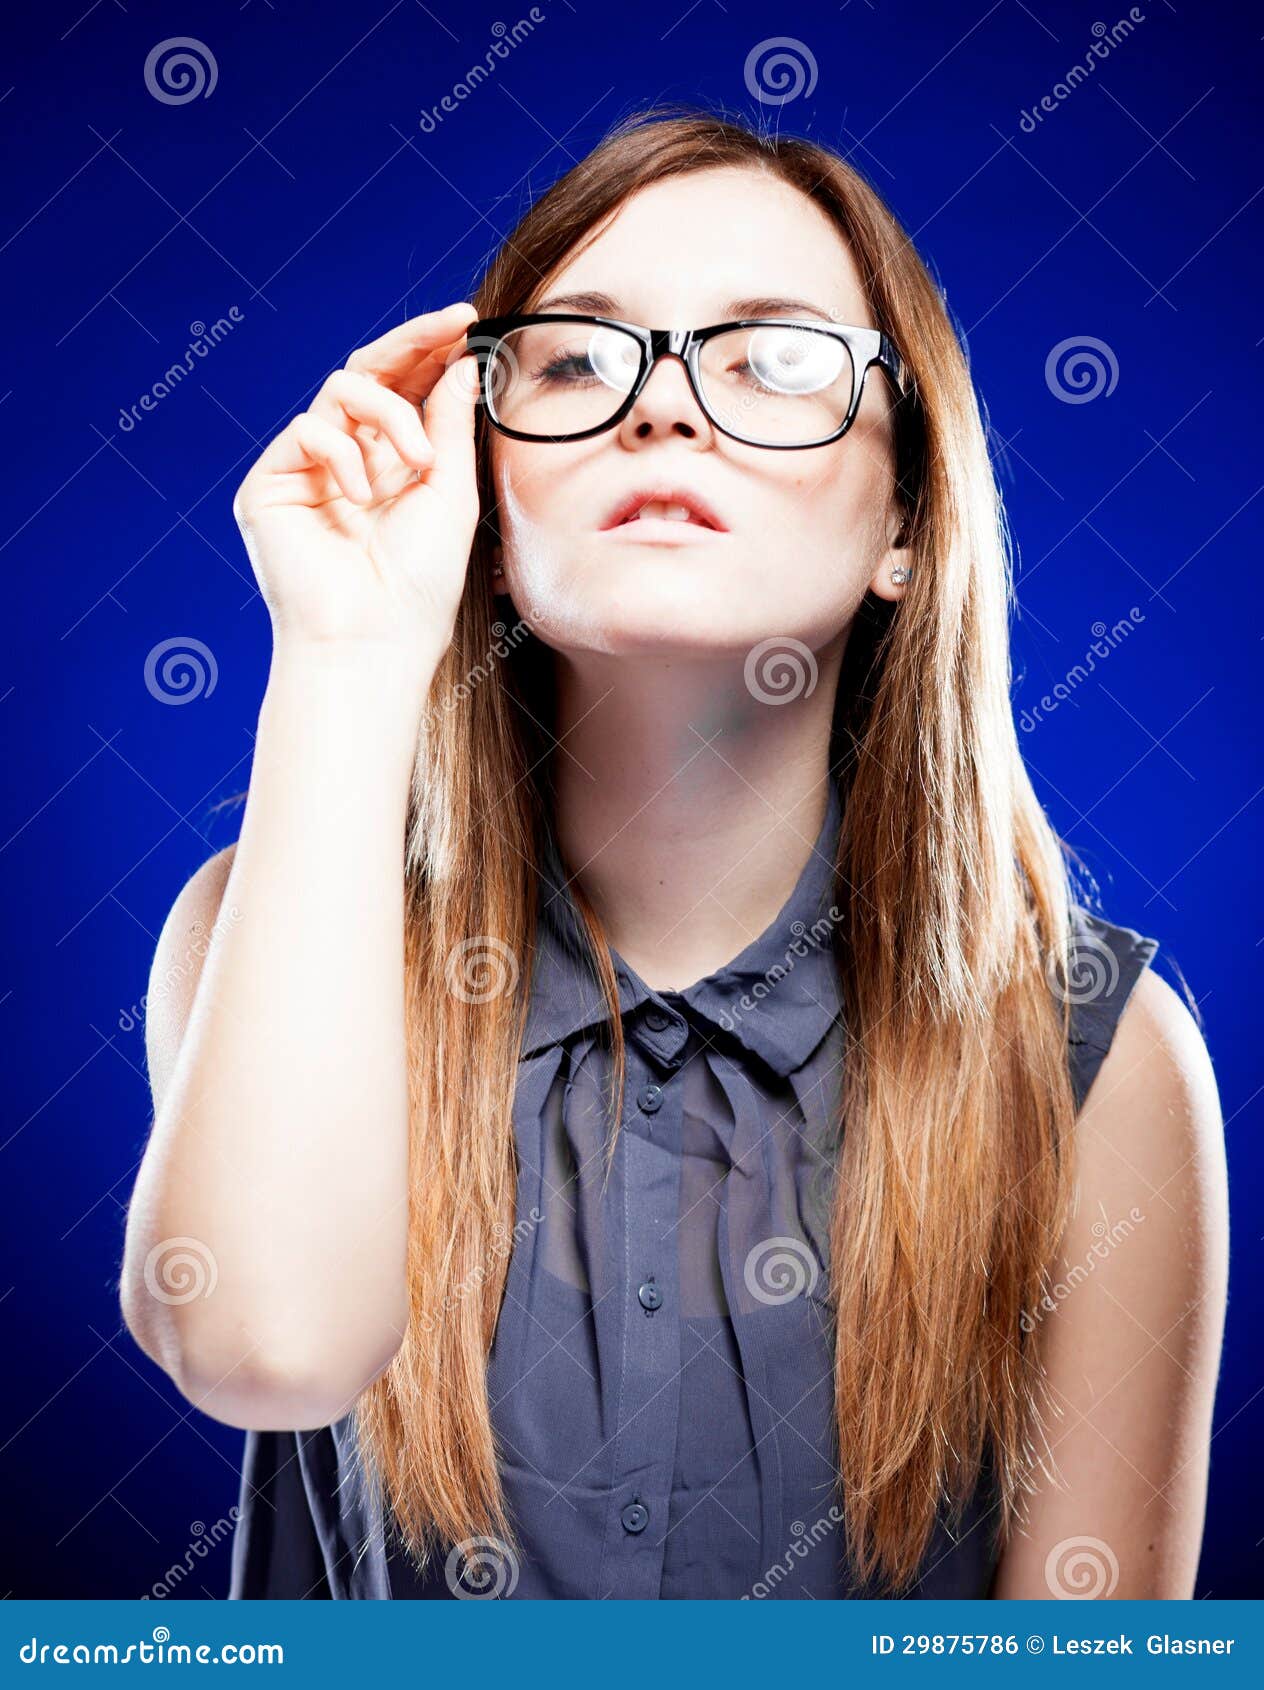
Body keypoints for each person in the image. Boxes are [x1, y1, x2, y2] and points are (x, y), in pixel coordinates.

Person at [120, 108, 1227, 1601]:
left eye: (773, 359)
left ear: (906, 513)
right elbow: (264, 1346)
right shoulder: (273, 936)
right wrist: (344, 645)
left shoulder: (1100, 1054)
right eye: (577, 358)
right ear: (492, 503)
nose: (664, 410)